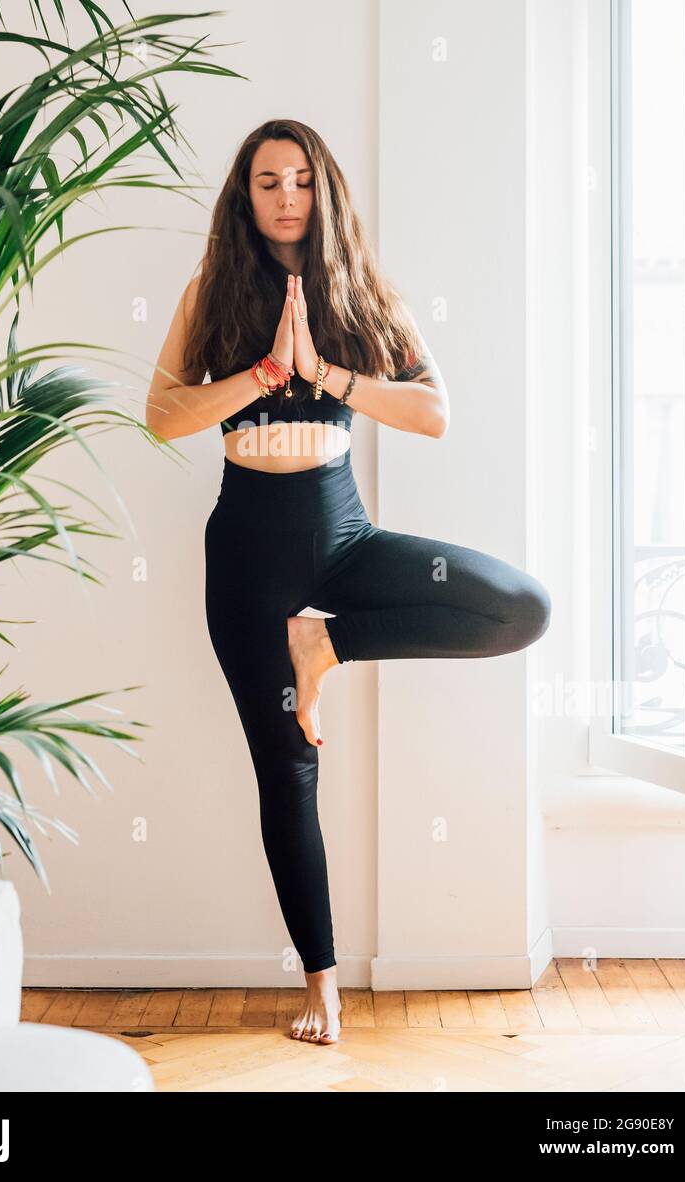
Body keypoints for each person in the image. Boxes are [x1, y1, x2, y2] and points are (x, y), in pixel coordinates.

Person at [145, 118, 552, 1046]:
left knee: (520, 606)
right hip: (246, 552)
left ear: (323, 191)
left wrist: (326, 371)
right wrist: (261, 375)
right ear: (243, 198)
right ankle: (321, 984)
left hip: (343, 537)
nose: (285, 197)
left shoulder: (361, 292)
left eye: (299, 180)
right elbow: (161, 416)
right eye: (265, 182)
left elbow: (434, 412)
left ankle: (325, 641)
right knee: (289, 771)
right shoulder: (211, 290)